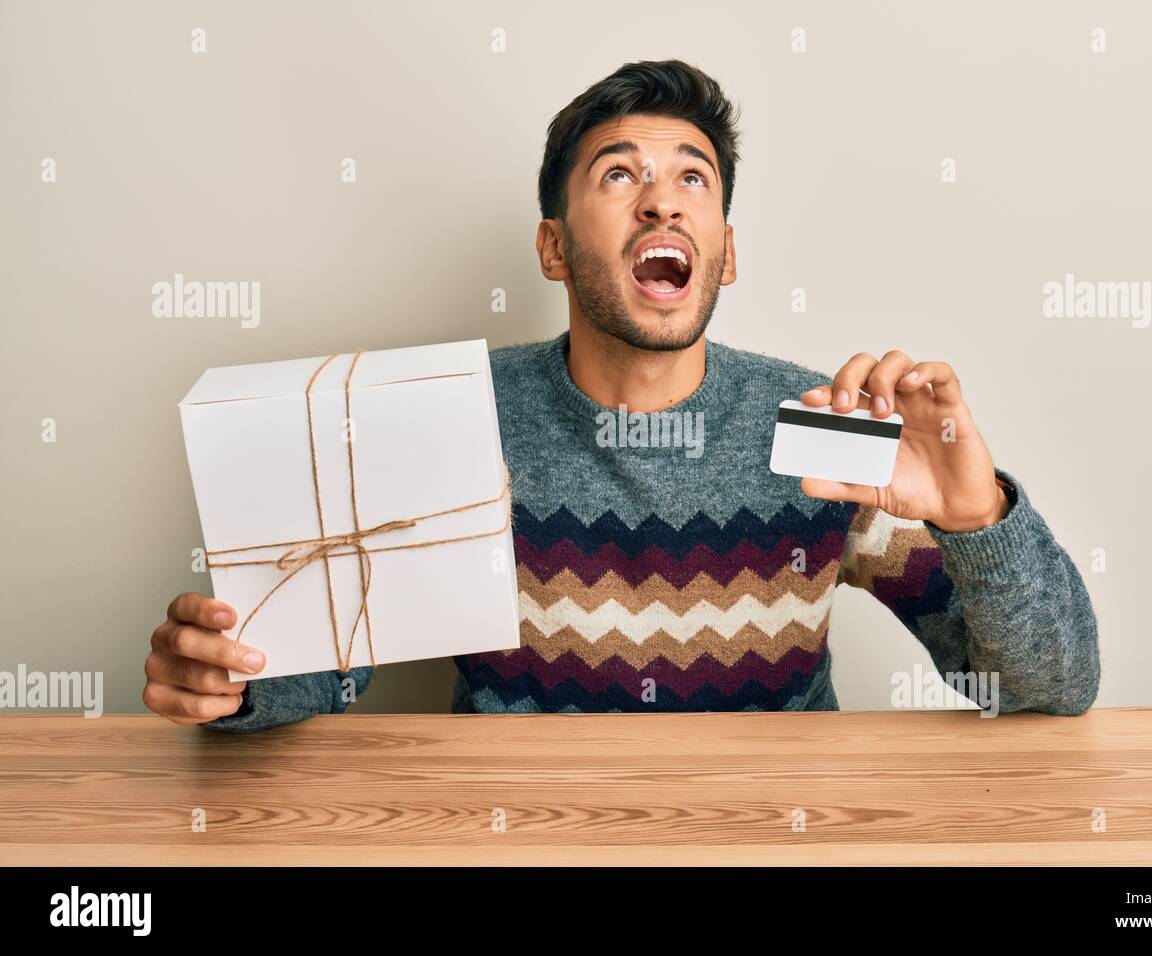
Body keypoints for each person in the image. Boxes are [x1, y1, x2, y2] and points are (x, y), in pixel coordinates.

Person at [144, 59, 1099, 731]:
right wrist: (231, 683)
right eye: (619, 174)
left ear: (724, 251)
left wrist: (979, 518)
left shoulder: (820, 433)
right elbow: (322, 672)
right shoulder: (452, 420)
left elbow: (1048, 688)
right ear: (554, 247)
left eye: (694, 176)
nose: (662, 199)